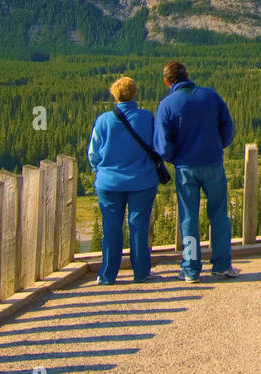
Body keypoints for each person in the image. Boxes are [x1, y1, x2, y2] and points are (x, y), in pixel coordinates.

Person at [154, 60, 240, 282]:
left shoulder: (167, 105)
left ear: (167, 81)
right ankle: (222, 265)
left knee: (188, 218)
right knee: (219, 214)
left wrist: (175, 157)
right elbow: (228, 128)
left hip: (185, 169)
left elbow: (162, 145)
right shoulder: (211, 96)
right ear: (187, 74)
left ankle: (191, 269)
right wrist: (216, 147)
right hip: (213, 164)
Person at [87, 77, 159, 285]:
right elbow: (157, 145)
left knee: (111, 227)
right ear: (135, 93)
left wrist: (99, 170)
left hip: (109, 183)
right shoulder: (146, 117)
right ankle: (141, 272)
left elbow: (93, 152)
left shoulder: (103, 120)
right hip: (142, 181)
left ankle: (108, 274)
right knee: (139, 226)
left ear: (115, 95)